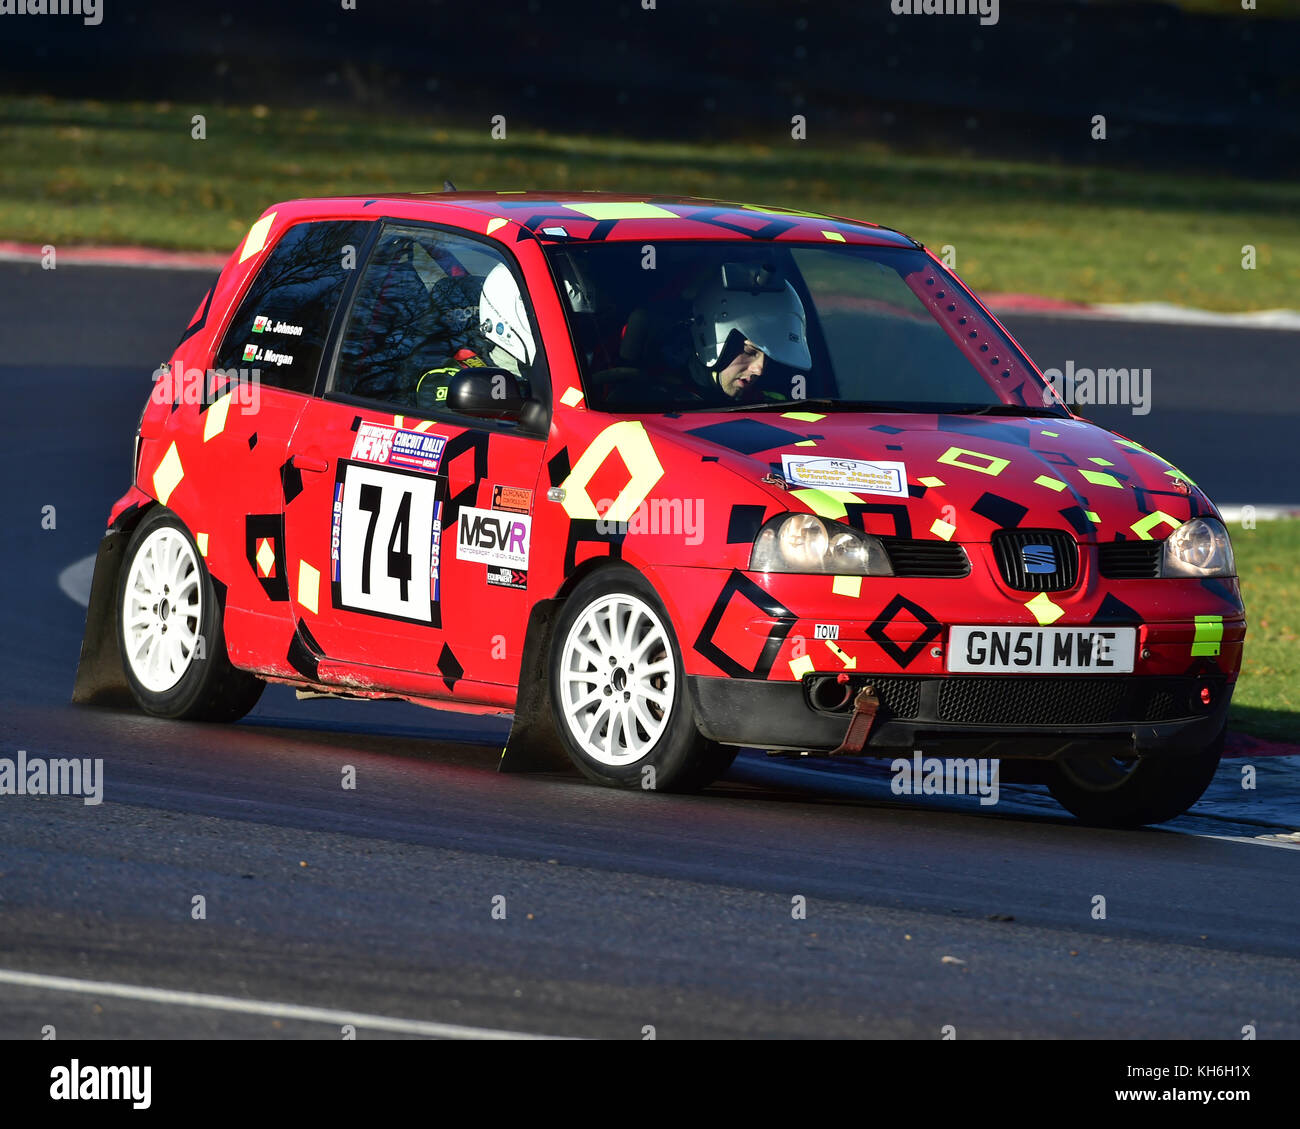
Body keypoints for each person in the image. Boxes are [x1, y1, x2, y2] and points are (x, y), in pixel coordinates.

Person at [689, 274, 812, 400]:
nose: (759, 370)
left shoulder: (774, 405)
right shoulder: (671, 404)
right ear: (708, 341)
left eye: (770, 357)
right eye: (750, 351)